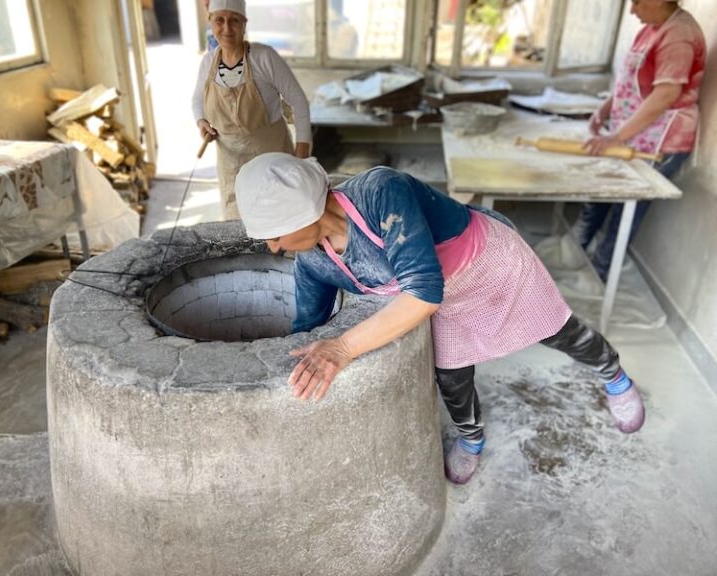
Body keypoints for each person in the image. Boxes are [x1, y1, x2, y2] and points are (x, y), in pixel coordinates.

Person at [235, 153, 646, 485]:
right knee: (450, 375)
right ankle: (471, 439)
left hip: (489, 263)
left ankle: (615, 376)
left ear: (303, 215)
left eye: (275, 235)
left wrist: (343, 348)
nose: (273, 248)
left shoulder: (380, 191)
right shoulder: (313, 262)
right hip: (445, 297)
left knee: (559, 331)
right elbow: (307, 329)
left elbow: (422, 291)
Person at [577, 0, 706, 281]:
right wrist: (605, 109)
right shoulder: (651, 28)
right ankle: (577, 252)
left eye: (636, 1)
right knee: (601, 193)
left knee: (626, 211)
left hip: (661, 140)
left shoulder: (679, 35)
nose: (632, 10)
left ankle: (600, 276)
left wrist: (616, 137)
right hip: (632, 133)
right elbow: (628, 79)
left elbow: (666, 95)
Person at [191, 0, 311, 220]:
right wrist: (202, 122)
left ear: (244, 24)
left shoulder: (264, 57)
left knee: (279, 219)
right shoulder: (208, 62)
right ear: (211, 22)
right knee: (237, 223)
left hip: (271, 156)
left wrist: (302, 153)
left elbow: (299, 101)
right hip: (230, 161)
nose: (227, 28)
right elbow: (197, 100)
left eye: (234, 21)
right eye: (220, 20)